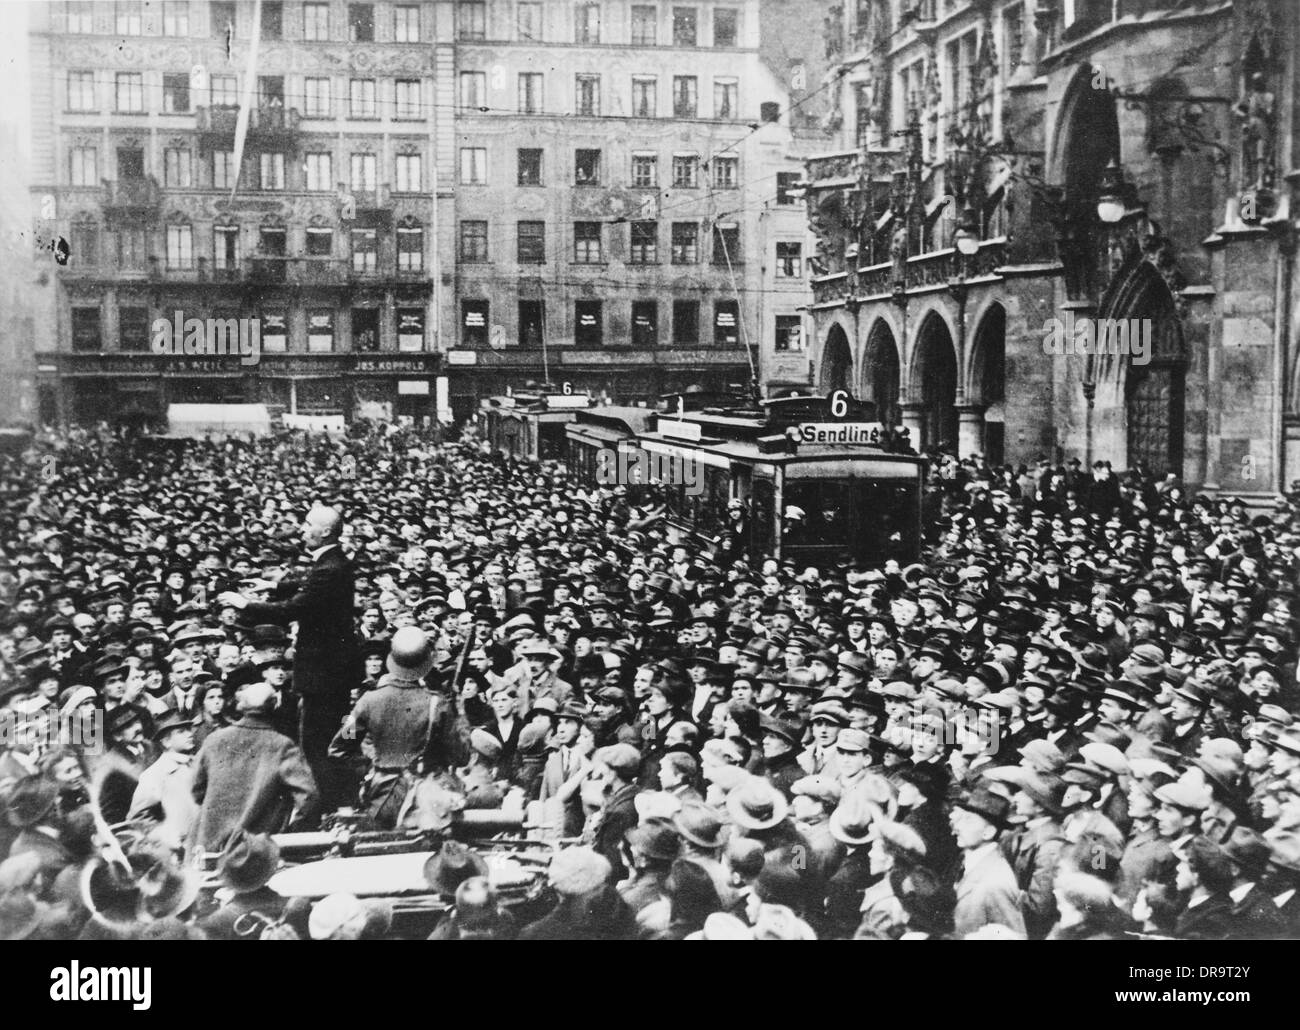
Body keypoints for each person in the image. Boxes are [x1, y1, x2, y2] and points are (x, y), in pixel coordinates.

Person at [220, 503, 360, 810]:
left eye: (308, 524)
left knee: (316, 745)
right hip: (333, 672)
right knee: (331, 740)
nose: (302, 529)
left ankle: (328, 807)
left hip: (321, 675)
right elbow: (309, 585)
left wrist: (244, 604)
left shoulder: (328, 569)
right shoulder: (335, 562)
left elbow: (292, 609)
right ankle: (340, 802)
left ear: (325, 532)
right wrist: (273, 584)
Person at [191, 682, 320, 852]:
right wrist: (290, 830)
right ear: (275, 705)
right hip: (258, 849)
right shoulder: (282, 745)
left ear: (241, 706)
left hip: (211, 843)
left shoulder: (214, 740)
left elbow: (196, 789)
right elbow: (308, 796)